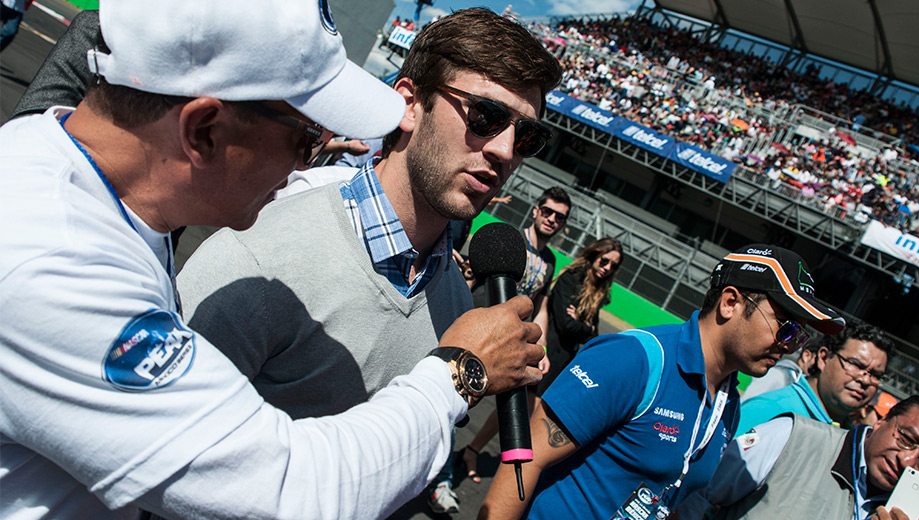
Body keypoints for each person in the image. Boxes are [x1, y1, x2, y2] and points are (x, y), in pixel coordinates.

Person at [0, 2, 546, 518]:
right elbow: (280, 490)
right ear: (202, 131)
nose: (308, 165)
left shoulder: (82, 196)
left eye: (527, 138)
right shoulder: (55, 262)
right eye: (307, 137)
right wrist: (457, 374)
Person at [174, 6, 562, 517]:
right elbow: (174, 466)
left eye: (527, 136)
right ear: (409, 104)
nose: (505, 150)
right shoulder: (257, 258)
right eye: (485, 117)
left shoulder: (456, 304)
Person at [481, 244, 847, 519]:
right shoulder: (634, 359)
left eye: (799, 337)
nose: (789, 346)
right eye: (786, 327)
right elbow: (524, 462)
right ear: (730, 303)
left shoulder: (728, 404)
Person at [462, 187, 572, 483]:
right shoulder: (508, 239)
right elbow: (470, 277)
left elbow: (541, 306)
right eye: (547, 211)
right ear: (536, 211)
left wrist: (542, 347)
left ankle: (467, 453)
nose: (551, 219)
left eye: (559, 217)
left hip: (508, 340)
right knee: (457, 396)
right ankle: (440, 471)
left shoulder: (550, 261)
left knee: (498, 400)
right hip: (479, 330)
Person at [675, 395, 919, 520]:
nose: (907, 460)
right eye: (906, 439)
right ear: (882, 421)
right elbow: (698, 497)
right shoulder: (793, 437)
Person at [737, 323, 892, 433]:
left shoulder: (853, 439)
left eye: (876, 375)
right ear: (823, 358)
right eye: (856, 364)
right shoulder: (772, 409)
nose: (865, 380)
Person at [535, 237, 623, 396]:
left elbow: (592, 338)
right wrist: (587, 327)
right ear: (594, 255)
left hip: (564, 360)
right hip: (547, 352)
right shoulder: (571, 278)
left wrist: (583, 324)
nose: (607, 268)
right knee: (523, 406)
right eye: (604, 261)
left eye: (613, 266)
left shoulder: (597, 292)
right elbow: (567, 325)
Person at [741, 337, 820, 400]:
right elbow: (747, 405)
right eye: (819, 359)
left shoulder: (796, 381)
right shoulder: (779, 375)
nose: (820, 367)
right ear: (806, 355)